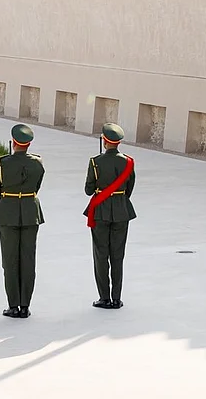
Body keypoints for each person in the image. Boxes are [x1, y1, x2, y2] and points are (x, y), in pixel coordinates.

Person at [0, 124, 46, 318]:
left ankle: (13, 305)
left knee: (10, 261)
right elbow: (36, 187)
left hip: (8, 212)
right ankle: (25, 306)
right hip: (31, 212)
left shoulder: (2, 163)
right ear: (28, 144)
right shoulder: (38, 163)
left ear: (14, 142)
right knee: (28, 260)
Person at [84, 122, 136, 310]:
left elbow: (88, 190)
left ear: (104, 141)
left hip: (101, 211)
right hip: (121, 210)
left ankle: (104, 297)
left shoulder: (95, 162)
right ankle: (116, 298)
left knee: (101, 255)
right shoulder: (128, 162)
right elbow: (129, 189)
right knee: (118, 255)